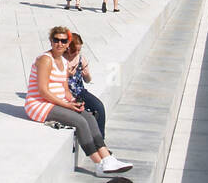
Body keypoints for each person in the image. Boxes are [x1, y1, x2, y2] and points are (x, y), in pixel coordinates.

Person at [25, 27, 132, 175]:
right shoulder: (45, 60)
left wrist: (74, 101)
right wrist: (67, 105)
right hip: (39, 104)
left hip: (57, 101)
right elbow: (43, 91)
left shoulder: (63, 61)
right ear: (51, 41)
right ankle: (99, 164)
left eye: (63, 41)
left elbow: (65, 89)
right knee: (80, 121)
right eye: (56, 40)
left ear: (68, 43)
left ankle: (107, 158)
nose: (59, 44)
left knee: (88, 116)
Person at [64, 32, 106, 137]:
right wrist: (66, 74)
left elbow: (87, 80)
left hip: (79, 92)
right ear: (68, 48)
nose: (77, 52)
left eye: (79, 50)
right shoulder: (60, 59)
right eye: (75, 50)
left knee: (99, 107)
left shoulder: (81, 59)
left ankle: (101, 139)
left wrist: (86, 75)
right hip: (64, 93)